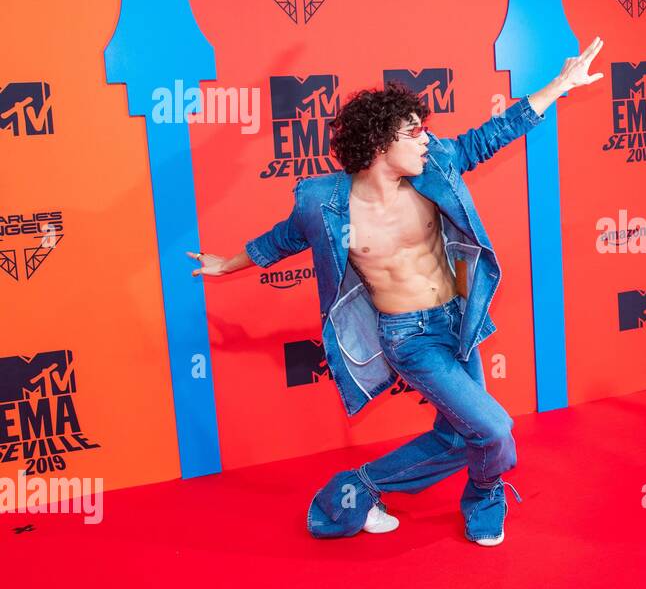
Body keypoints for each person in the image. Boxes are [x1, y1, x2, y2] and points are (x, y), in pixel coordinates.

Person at [188, 37, 606, 543]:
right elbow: (282, 241)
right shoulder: (324, 203)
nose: (427, 141)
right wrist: (225, 264)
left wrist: (560, 85)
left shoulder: (436, 168)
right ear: (380, 144)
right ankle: (363, 487)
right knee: (494, 431)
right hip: (408, 336)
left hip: (459, 320)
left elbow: (493, 134)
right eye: (414, 134)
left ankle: (459, 495)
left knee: (458, 435)